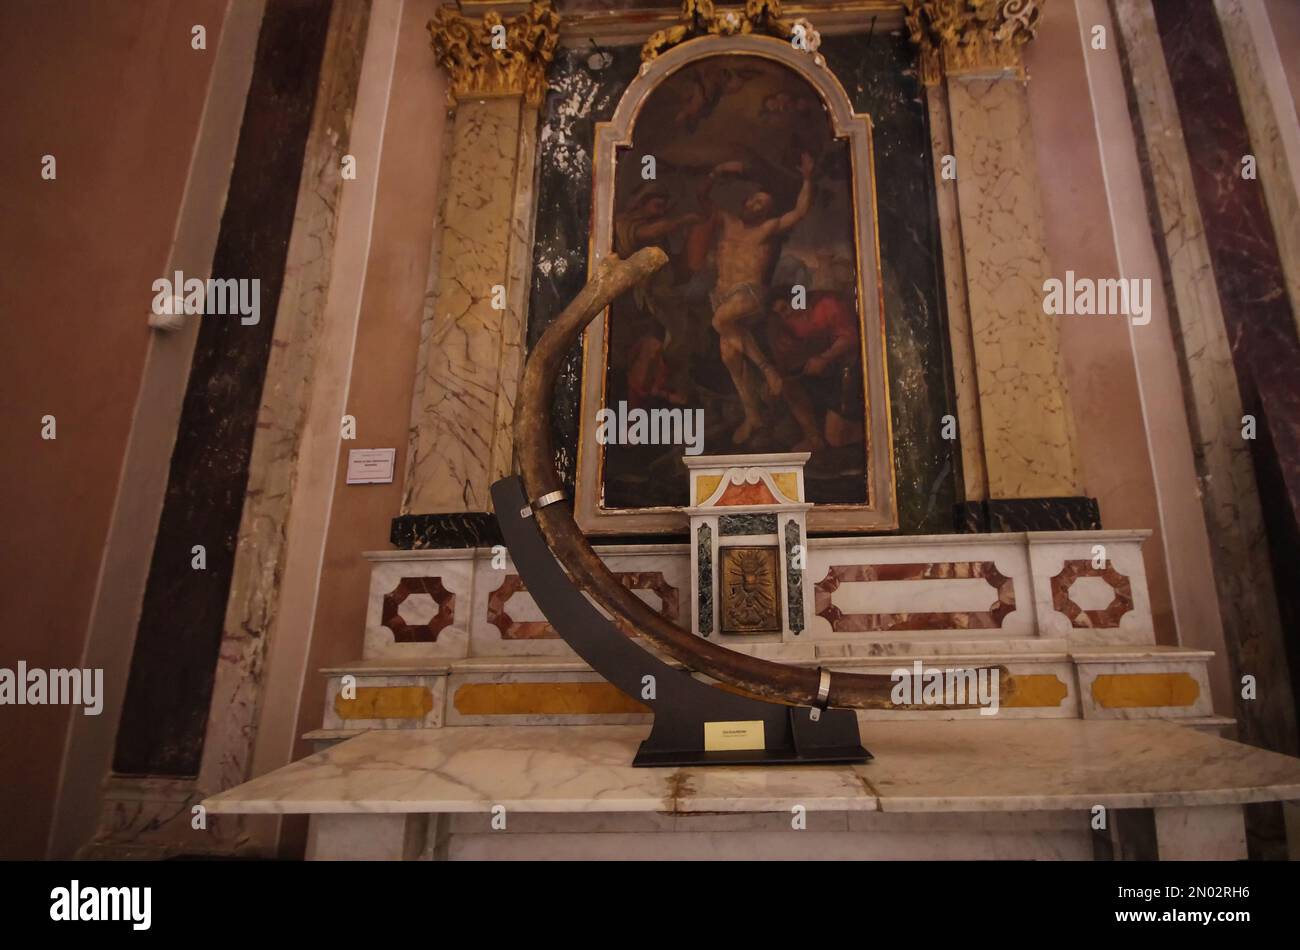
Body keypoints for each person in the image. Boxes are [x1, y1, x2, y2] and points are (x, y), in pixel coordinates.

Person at [690, 152, 816, 443]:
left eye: (763, 204)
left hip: (750, 294)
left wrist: (808, 179)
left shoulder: (767, 229)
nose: (756, 205)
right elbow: (701, 197)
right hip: (721, 295)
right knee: (730, 356)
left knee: (721, 320)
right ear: (746, 202)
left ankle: (767, 369)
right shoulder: (727, 220)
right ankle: (753, 416)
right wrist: (717, 170)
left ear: (766, 212)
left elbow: (799, 211)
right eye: (754, 200)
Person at [766, 287, 860, 452]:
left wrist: (825, 358)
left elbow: (850, 338)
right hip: (822, 373)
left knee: (835, 438)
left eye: (785, 309)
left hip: (849, 369)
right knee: (788, 386)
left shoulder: (826, 305)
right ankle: (814, 439)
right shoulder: (789, 323)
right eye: (780, 313)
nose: (785, 315)